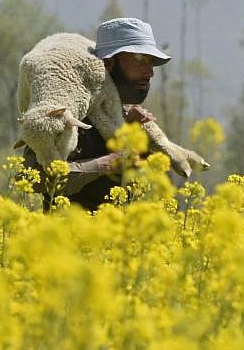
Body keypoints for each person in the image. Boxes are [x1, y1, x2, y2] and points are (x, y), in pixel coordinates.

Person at [23, 17, 170, 210]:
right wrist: (103, 165)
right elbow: (33, 178)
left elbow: (145, 188)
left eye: (151, 62)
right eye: (140, 61)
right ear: (108, 63)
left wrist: (130, 136)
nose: (150, 72)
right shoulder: (63, 113)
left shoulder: (131, 118)